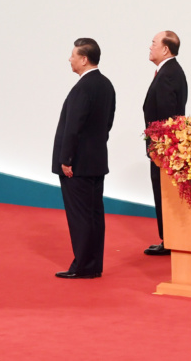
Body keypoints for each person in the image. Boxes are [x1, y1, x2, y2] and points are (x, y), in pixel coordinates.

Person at [52, 37, 115, 280]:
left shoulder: (83, 87)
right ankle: (92, 264)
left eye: (73, 55)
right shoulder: (106, 85)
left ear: (84, 58)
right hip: (96, 161)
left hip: (77, 165)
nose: (70, 59)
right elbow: (107, 123)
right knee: (94, 215)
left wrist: (66, 159)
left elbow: (73, 127)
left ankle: (82, 266)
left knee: (80, 216)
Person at [142, 30, 188, 257]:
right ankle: (168, 238)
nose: (150, 47)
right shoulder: (169, 71)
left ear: (165, 49)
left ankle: (170, 240)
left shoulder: (169, 74)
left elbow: (167, 117)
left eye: (153, 43)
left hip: (164, 149)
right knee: (162, 193)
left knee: (164, 193)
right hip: (164, 147)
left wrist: (159, 147)